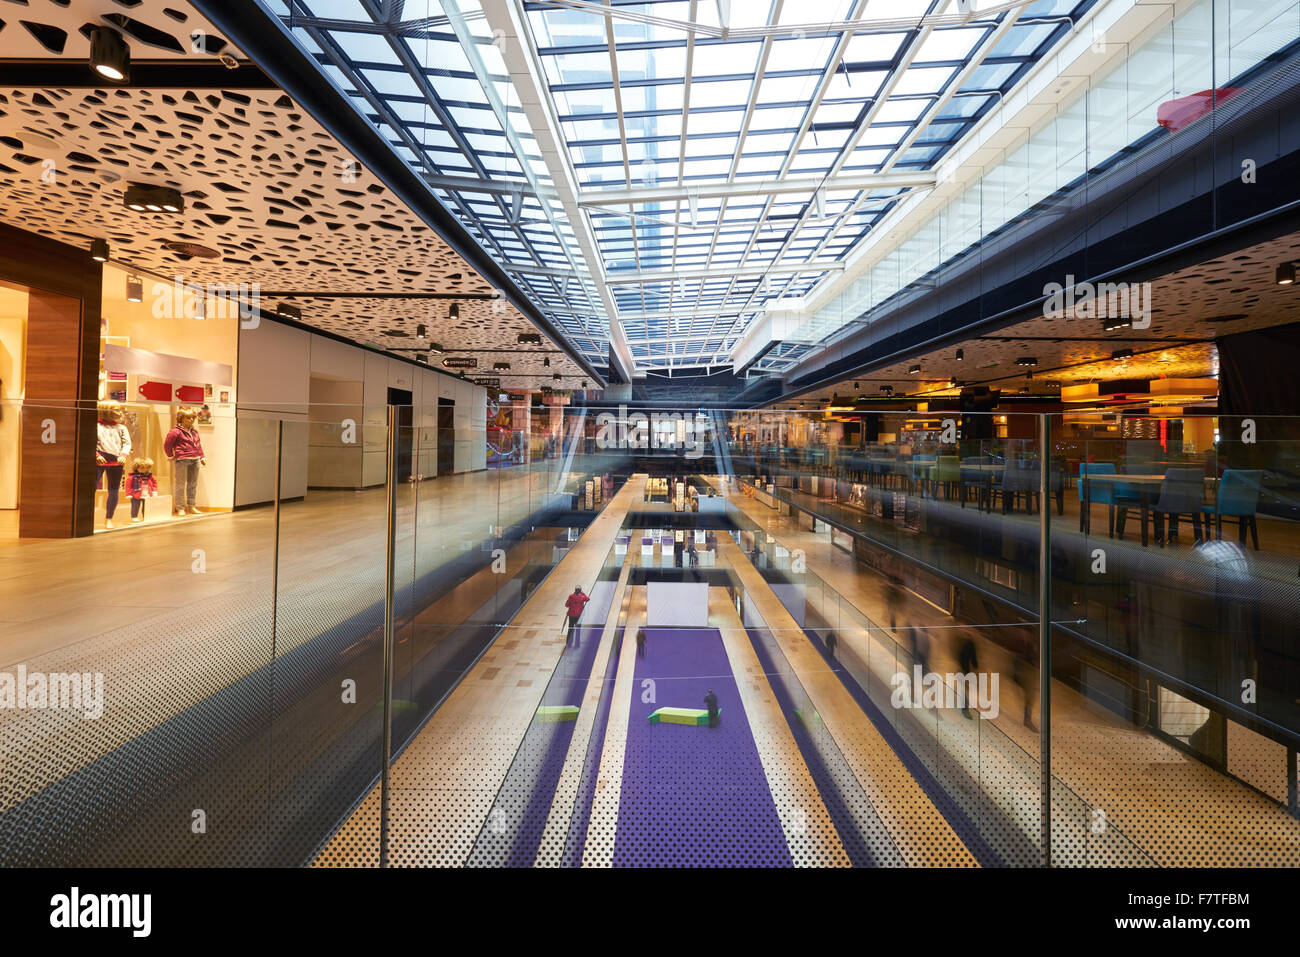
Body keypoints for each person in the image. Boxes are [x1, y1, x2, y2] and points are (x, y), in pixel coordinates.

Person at [164, 407, 206, 517]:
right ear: (181, 418)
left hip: (195, 459)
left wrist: (202, 456)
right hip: (182, 459)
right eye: (188, 418)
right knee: (180, 484)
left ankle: (191, 506)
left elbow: (198, 445)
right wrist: (170, 455)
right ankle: (180, 508)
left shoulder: (194, 431)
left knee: (192, 484)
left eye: (193, 418)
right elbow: (167, 444)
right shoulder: (175, 432)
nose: (191, 420)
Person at [96, 403, 132, 529]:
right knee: (92, 489)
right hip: (99, 460)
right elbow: (90, 441)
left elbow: (127, 443)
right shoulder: (96, 426)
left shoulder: (122, 428)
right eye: (117, 410)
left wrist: (123, 455)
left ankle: (109, 518)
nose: (120, 412)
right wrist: (96, 455)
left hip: (117, 461)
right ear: (107, 411)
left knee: (113, 491)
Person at [957, 631, 979, 719]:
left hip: (961, 669)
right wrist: (975, 665)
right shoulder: (970, 645)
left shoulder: (963, 644)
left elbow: (961, 656)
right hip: (964, 670)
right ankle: (965, 708)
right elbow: (973, 657)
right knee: (963, 689)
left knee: (962, 688)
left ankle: (964, 707)